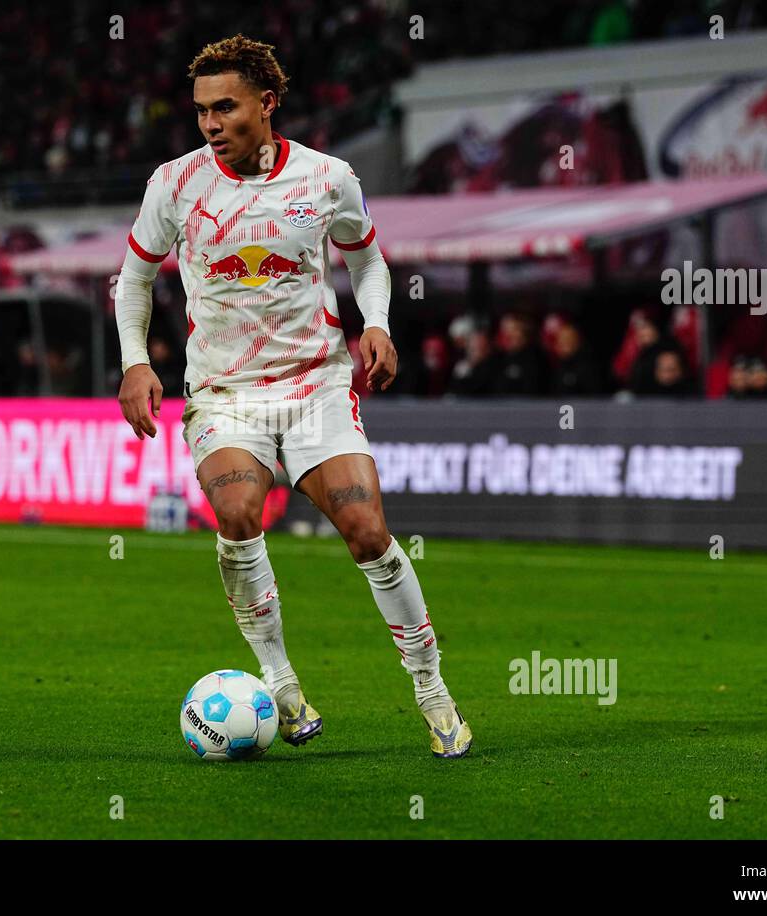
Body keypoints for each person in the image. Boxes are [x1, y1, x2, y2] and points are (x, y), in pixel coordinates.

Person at [114, 35, 471, 758]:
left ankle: (433, 693)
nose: (210, 123)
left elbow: (367, 257)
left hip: (316, 384)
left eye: (226, 107)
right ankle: (279, 680)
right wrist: (133, 362)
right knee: (240, 512)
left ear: (267, 102)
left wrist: (377, 323)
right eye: (201, 111)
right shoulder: (175, 184)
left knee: (367, 531)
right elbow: (133, 278)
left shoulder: (326, 178)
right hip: (224, 392)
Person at [550, 319, 605, 395]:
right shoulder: (552, 366)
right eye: (563, 340)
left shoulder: (589, 367)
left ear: (578, 341)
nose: (566, 343)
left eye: (570, 339)